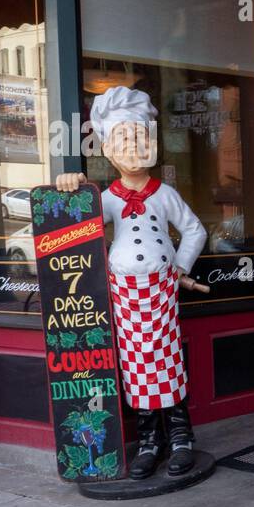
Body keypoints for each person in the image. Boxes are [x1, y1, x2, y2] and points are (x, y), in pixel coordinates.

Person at [55, 86, 206, 479]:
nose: (133, 146)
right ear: (107, 149)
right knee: (135, 365)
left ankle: (180, 437)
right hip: (123, 297)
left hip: (161, 291)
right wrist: (70, 186)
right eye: (123, 139)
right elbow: (72, 230)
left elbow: (194, 231)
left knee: (167, 361)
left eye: (140, 138)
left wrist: (179, 268)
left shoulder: (165, 194)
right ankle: (149, 441)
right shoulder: (103, 199)